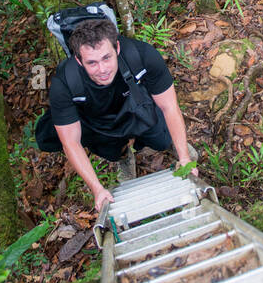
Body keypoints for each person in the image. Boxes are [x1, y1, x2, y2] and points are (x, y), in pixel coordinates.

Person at [37, 17, 198, 212]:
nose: (102, 69)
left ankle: (173, 144)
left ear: (117, 49)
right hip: (98, 116)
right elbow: (70, 141)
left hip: (135, 103)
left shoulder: (142, 56)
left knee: (161, 138)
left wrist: (184, 157)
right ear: (79, 60)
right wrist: (97, 189)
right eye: (92, 63)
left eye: (106, 58)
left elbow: (169, 107)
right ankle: (123, 156)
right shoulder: (65, 82)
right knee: (109, 149)